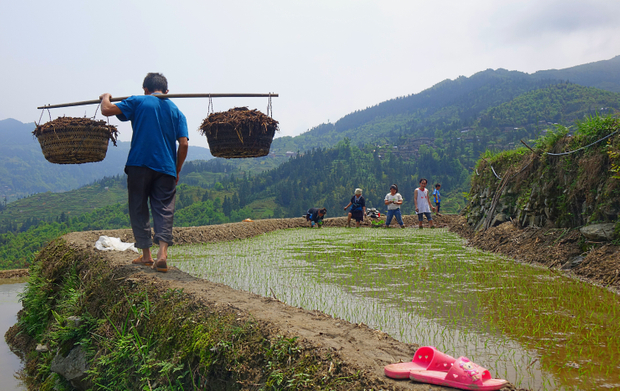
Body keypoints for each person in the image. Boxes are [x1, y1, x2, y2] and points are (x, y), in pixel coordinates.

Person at [100, 73, 189, 273]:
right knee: (164, 209)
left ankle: (147, 256)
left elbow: (106, 110)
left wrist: (105, 96)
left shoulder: (138, 101)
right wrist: (177, 170)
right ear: (166, 92)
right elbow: (183, 144)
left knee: (139, 207)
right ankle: (162, 254)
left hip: (139, 164)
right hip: (166, 167)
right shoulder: (177, 111)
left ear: (146, 90)